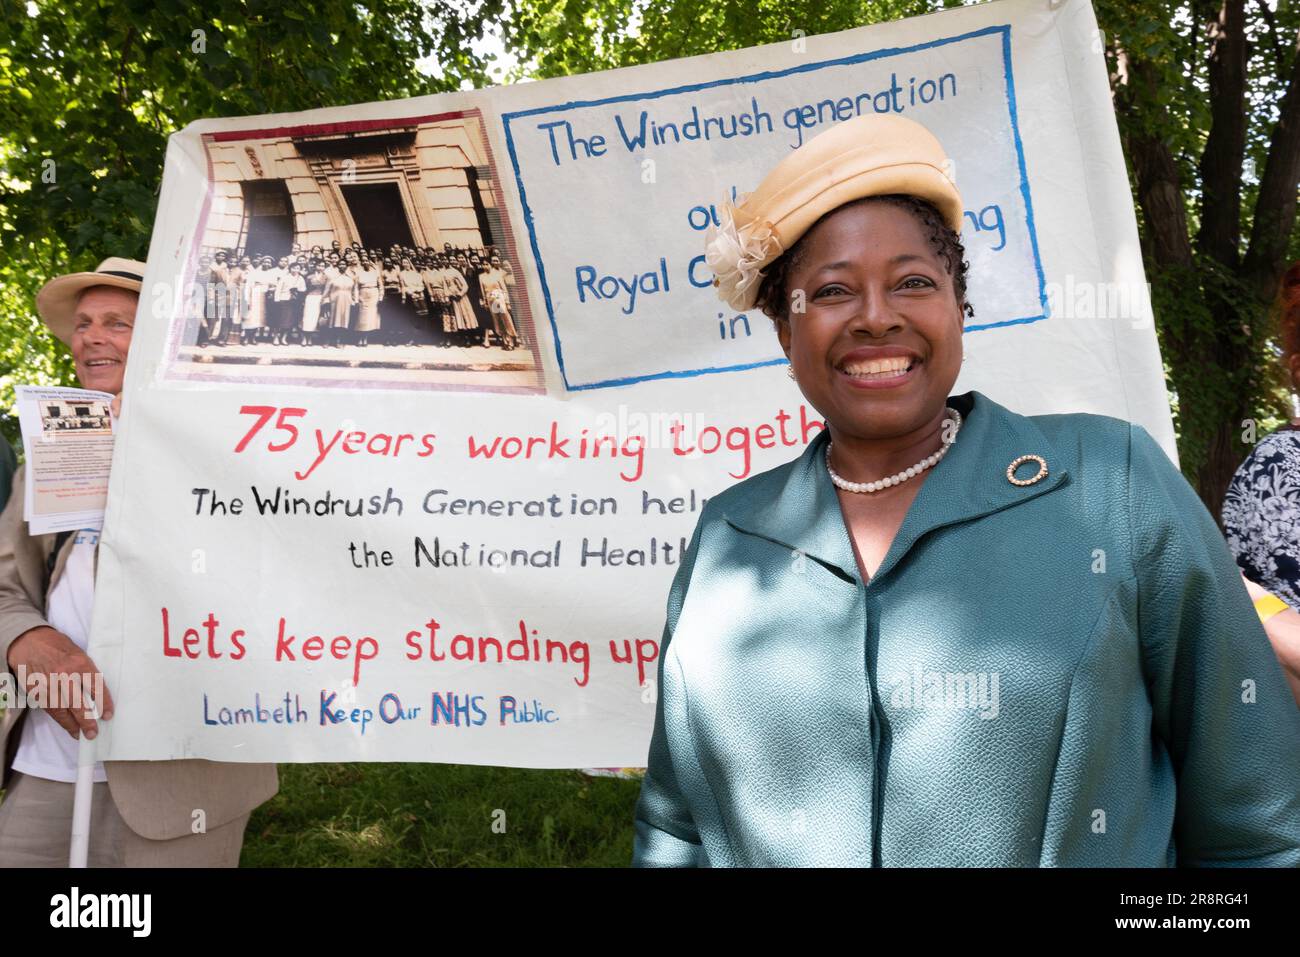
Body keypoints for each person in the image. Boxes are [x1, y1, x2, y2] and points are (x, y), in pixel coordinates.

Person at [631, 114, 1300, 867]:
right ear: (786, 334)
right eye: (831, 291)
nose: (876, 315)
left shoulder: (1112, 480)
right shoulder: (728, 536)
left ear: (959, 305)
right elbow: (677, 826)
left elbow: (1259, 830)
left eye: (914, 281)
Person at [0, 258, 277, 866]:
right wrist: (29, 642)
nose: (91, 336)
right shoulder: (50, 450)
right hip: (47, 762)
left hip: (183, 780)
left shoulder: (237, 448)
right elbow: (3, 587)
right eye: (83, 323)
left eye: (117, 323)